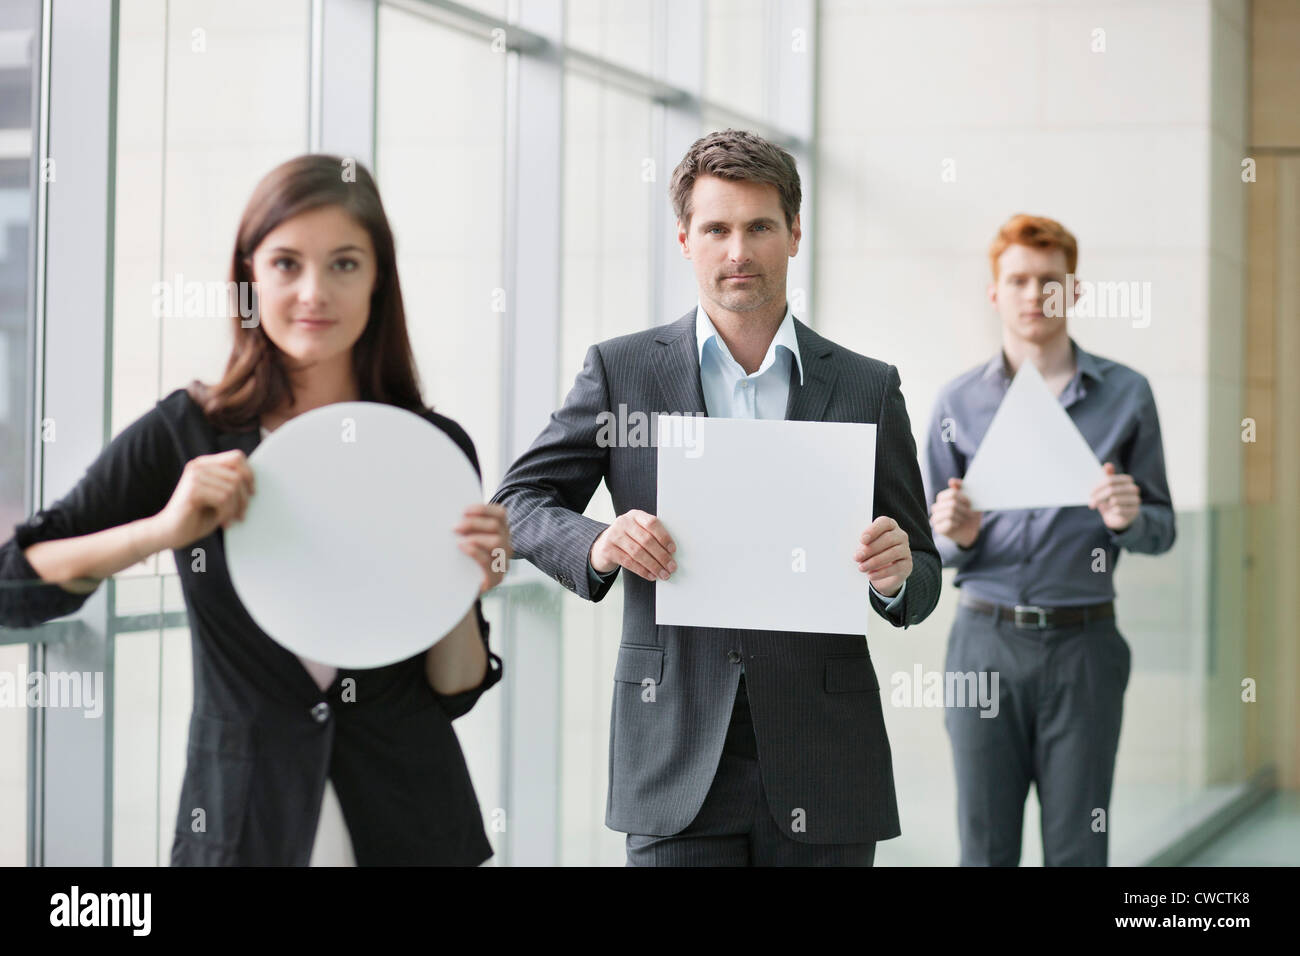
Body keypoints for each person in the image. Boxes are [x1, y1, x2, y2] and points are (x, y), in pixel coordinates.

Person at [0, 154, 509, 866]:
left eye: (344, 264)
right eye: (285, 264)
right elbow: (12, 586)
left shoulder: (430, 448)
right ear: (249, 278)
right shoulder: (187, 433)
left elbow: (454, 688)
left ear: (378, 280)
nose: (312, 292)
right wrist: (162, 531)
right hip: (242, 826)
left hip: (413, 824)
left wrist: (460, 588)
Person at [490, 129, 941, 866]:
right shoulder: (623, 372)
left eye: (760, 226)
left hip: (825, 760)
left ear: (795, 234)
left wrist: (898, 578)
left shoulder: (867, 386)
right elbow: (518, 502)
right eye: (717, 229)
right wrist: (598, 542)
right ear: (685, 239)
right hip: (673, 754)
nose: (738, 250)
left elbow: (921, 571)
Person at [926, 213, 1176, 867]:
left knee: (1079, 849)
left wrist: (1129, 519)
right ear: (995, 293)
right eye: (1018, 281)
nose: (1034, 295)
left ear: (1075, 290)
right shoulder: (956, 404)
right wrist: (955, 536)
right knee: (984, 848)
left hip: (1085, 649)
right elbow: (933, 550)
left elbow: (1162, 530)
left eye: (1049, 281)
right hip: (982, 644)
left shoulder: (1127, 395)